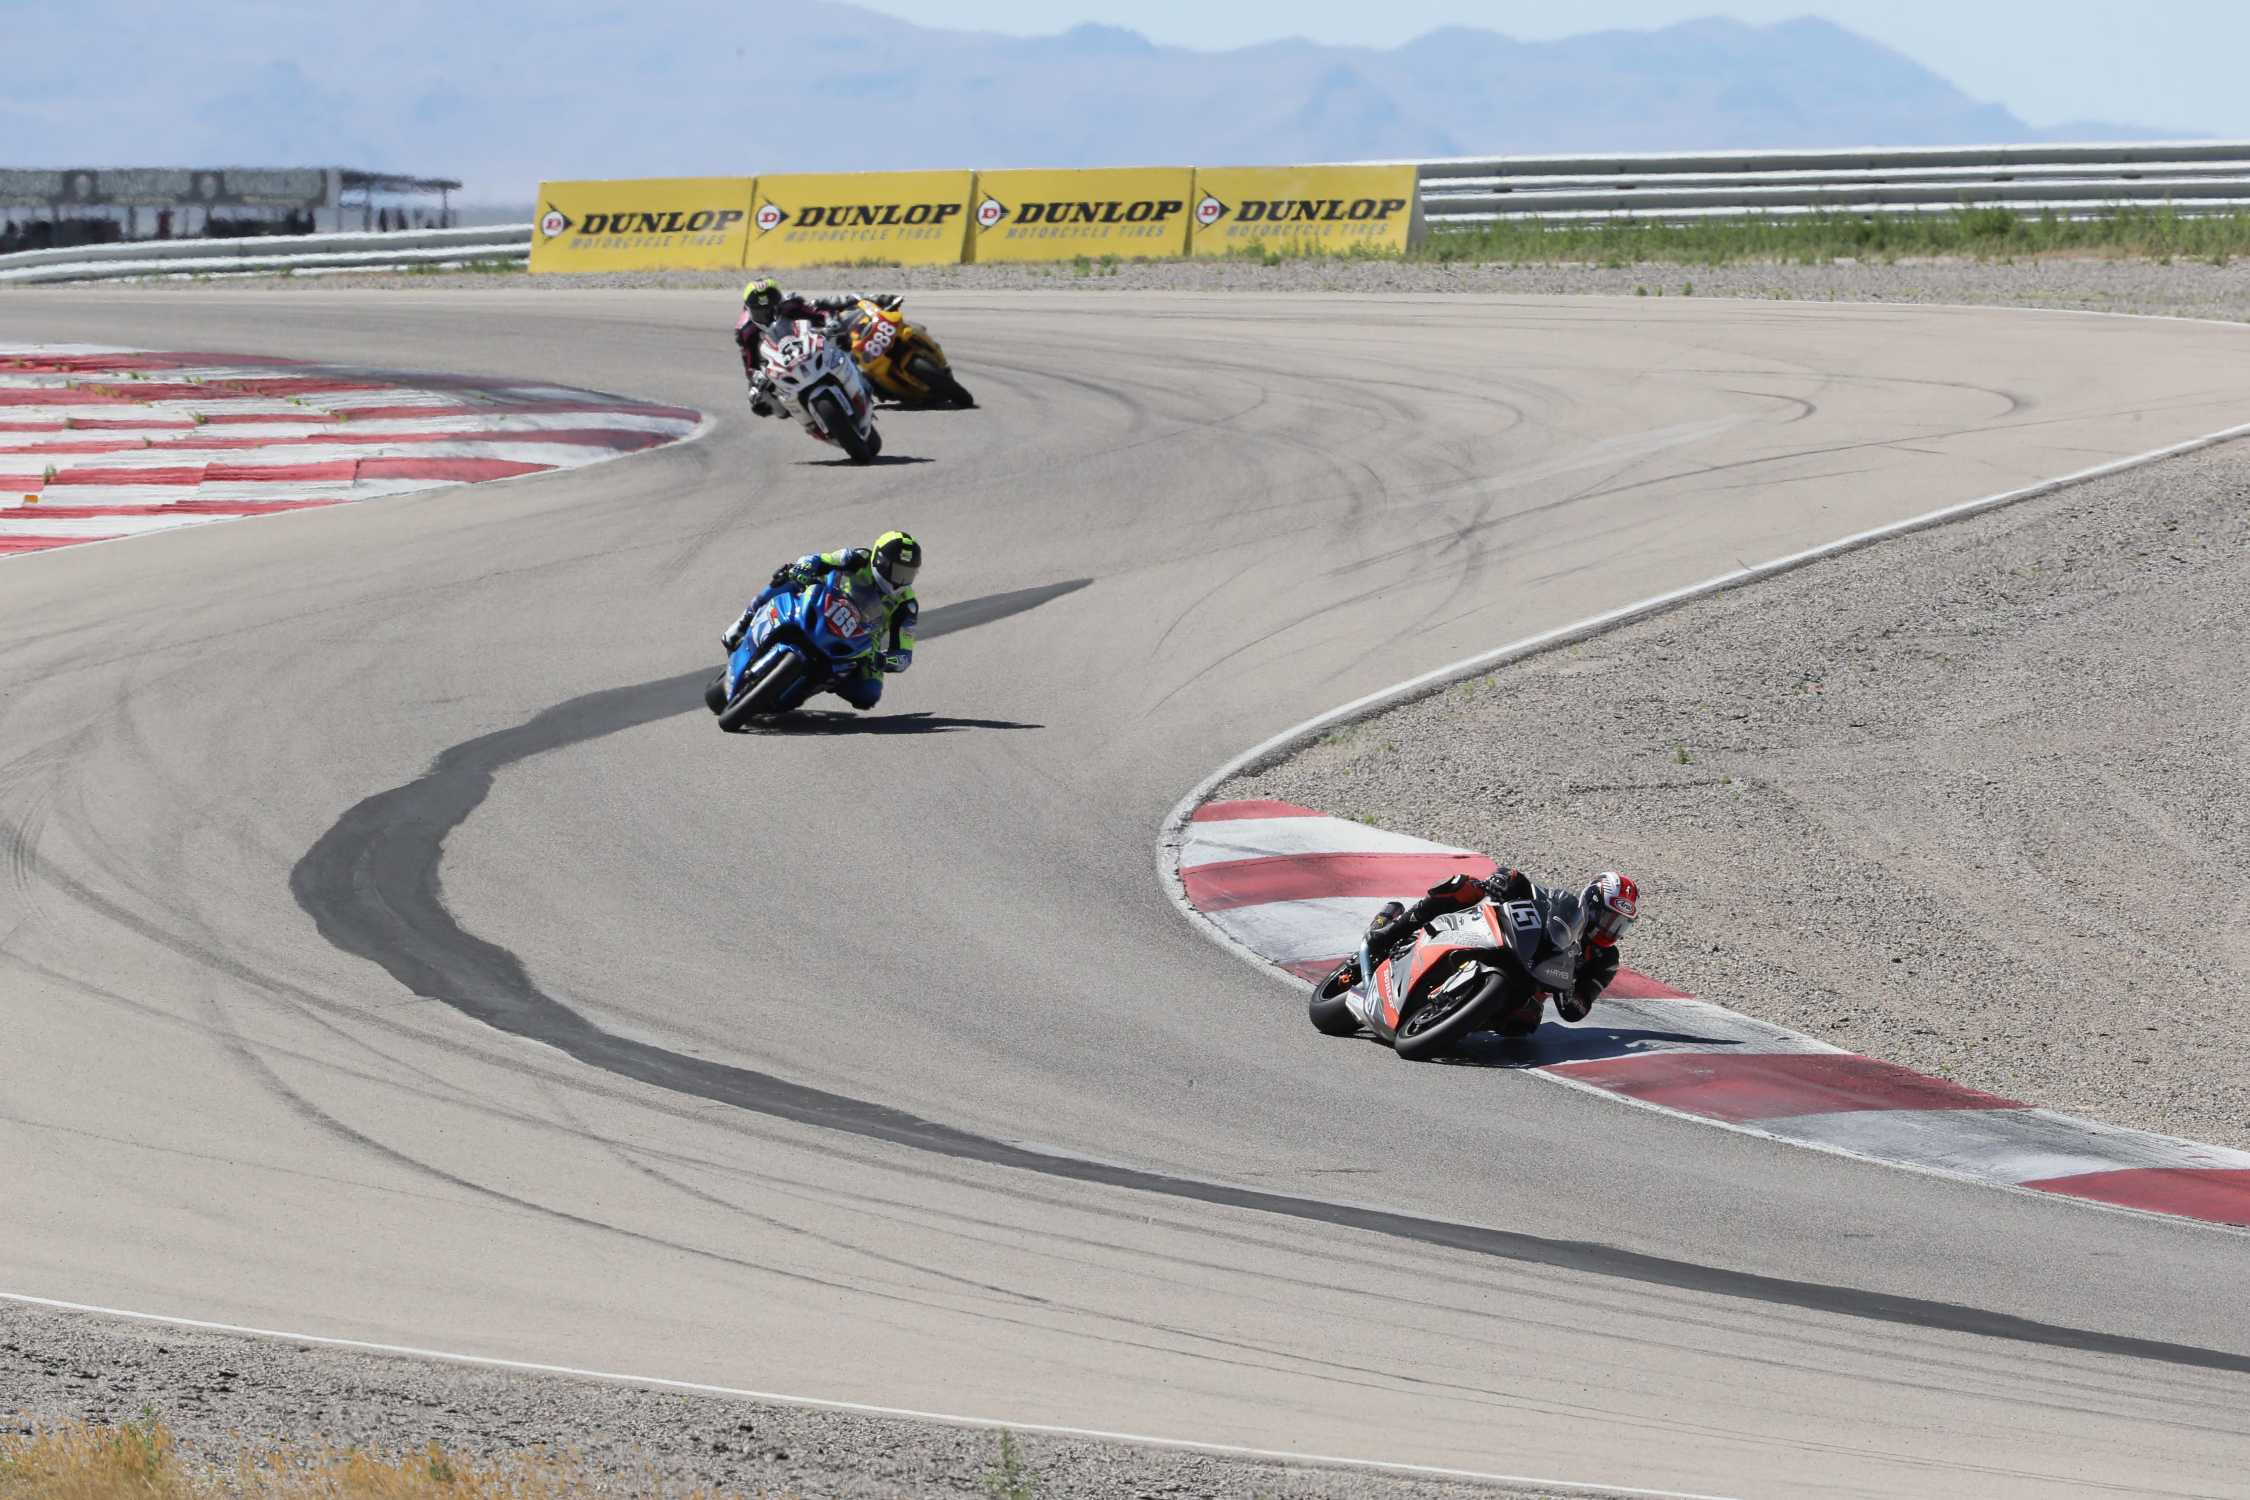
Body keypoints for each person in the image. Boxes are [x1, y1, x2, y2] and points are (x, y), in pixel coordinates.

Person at [1359, 867, 1639, 1022]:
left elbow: (1581, 1006)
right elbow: (1524, 884)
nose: (1609, 929)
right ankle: (1391, 931)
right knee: (1465, 887)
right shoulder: (1562, 903)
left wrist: (1569, 994)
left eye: (1619, 924)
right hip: (1503, 942)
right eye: (1607, 918)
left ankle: (1455, 1019)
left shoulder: (1606, 960)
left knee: (1523, 1025)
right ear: (1590, 904)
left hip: (1528, 987)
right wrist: (1504, 879)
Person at [719, 531, 922, 711]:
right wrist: (805, 566)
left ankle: (816, 684)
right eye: (898, 572)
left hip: (861, 642)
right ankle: (743, 622)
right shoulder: (858, 558)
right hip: (824, 604)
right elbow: (819, 559)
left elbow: (904, 655)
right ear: (880, 562)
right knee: (786, 576)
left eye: (908, 574)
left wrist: (883, 660)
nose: (901, 580)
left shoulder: (907, 604)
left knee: (868, 694)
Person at [735, 278, 901, 415]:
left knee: (838, 324)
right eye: (761, 311)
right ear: (749, 310)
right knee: (764, 404)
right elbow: (750, 365)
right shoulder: (746, 331)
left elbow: (818, 314)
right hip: (782, 362)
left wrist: (830, 324)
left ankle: (869, 375)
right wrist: (756, 385)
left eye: (772, 308)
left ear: (778, 302)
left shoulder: (790, 304)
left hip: (810, 342)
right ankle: (807, 416)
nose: (768, 315)